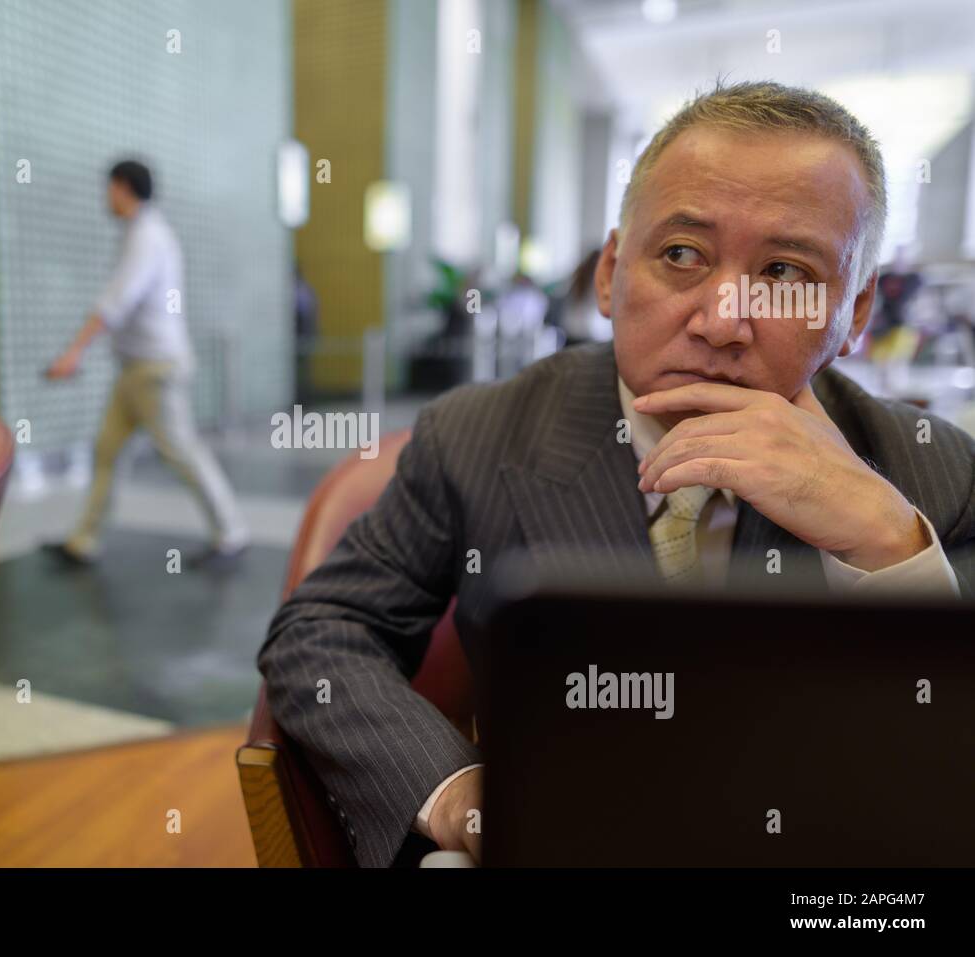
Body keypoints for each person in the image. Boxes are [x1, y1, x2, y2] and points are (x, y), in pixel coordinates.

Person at [257, 81, 975, 868]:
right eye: (680, 255)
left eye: (783, 272)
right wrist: (455, 787)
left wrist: (890, 547)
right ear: (609, 274)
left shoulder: (928, 466)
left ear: (857, 312)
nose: (721, 321)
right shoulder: (476, 436)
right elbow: (322, 630)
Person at [45, 159, 248, 566]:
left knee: (181, 452)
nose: (106, 197)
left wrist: (74, 351)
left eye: (110, 188)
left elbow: (117, 300)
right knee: (107, 451)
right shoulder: (141, 233)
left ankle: (231, 533)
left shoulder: (148, 237)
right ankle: (84, 540)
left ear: (123, 188)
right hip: (134, 370)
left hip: (156, 370)